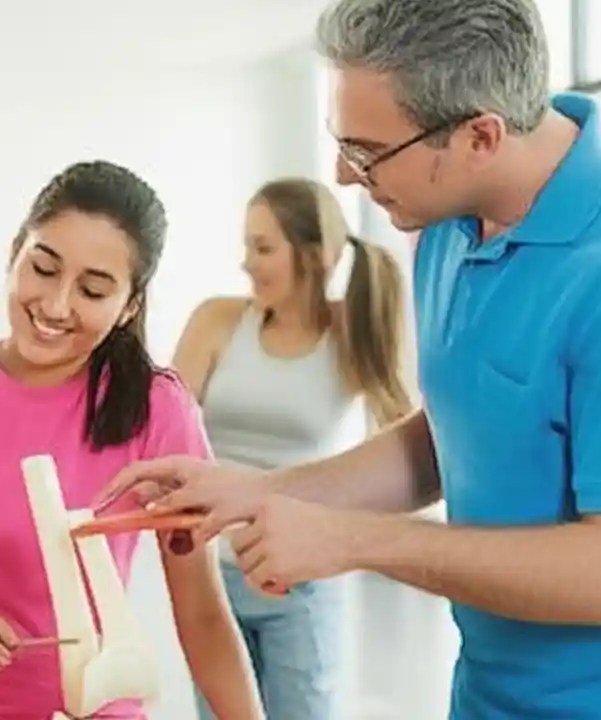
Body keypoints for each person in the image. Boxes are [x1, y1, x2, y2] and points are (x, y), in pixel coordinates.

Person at [98, 1, 601, 718]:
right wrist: (266, 492)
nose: (345, 178)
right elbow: (450, 438)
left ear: (480, 135)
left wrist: (356, 542)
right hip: (483, 689)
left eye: (366, 152)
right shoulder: (448, 223)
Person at [0, 160, 263, 719]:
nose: (55, 306)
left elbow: (201, 616)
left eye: (93, 289)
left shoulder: (158, 410)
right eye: (43, 268)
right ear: (15, 253)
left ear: (128, 306)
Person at [176, 178, 409, 720]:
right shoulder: (218, 320)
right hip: (213, 572)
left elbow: (401, 431)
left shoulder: (352, 331)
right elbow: (168, 425)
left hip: (299, 576)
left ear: (315, 254)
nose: (246, 263)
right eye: (246, 246)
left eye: (262, 247)